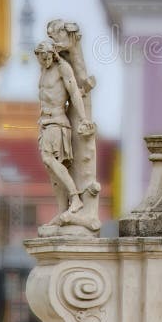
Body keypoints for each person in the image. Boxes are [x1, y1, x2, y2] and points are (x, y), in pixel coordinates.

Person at [35, 39, 95, 217]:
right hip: (44, 123)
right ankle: (62, 211)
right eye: (40, 57)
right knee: (53, 171)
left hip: (57, 122)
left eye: (46, 57)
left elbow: (74, 93)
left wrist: (84, 119)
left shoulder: (63, 68)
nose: (43, 61)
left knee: (48, 159)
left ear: (52, 54)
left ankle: (75, 198)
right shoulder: (43, 70)